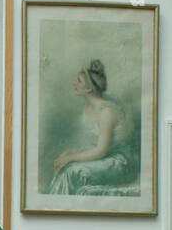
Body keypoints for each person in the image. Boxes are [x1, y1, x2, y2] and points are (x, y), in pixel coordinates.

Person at [46, 60, 138, 196]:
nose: (74, 84)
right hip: (105, 157)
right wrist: (72, 153)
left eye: (79, 81)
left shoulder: (106, 112)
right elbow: (94, 145)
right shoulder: (87, 108)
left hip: (118, 163)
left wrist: (72, 158)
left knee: (71, 171)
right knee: (64, 166)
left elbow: (101, 150)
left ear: (89, 88)